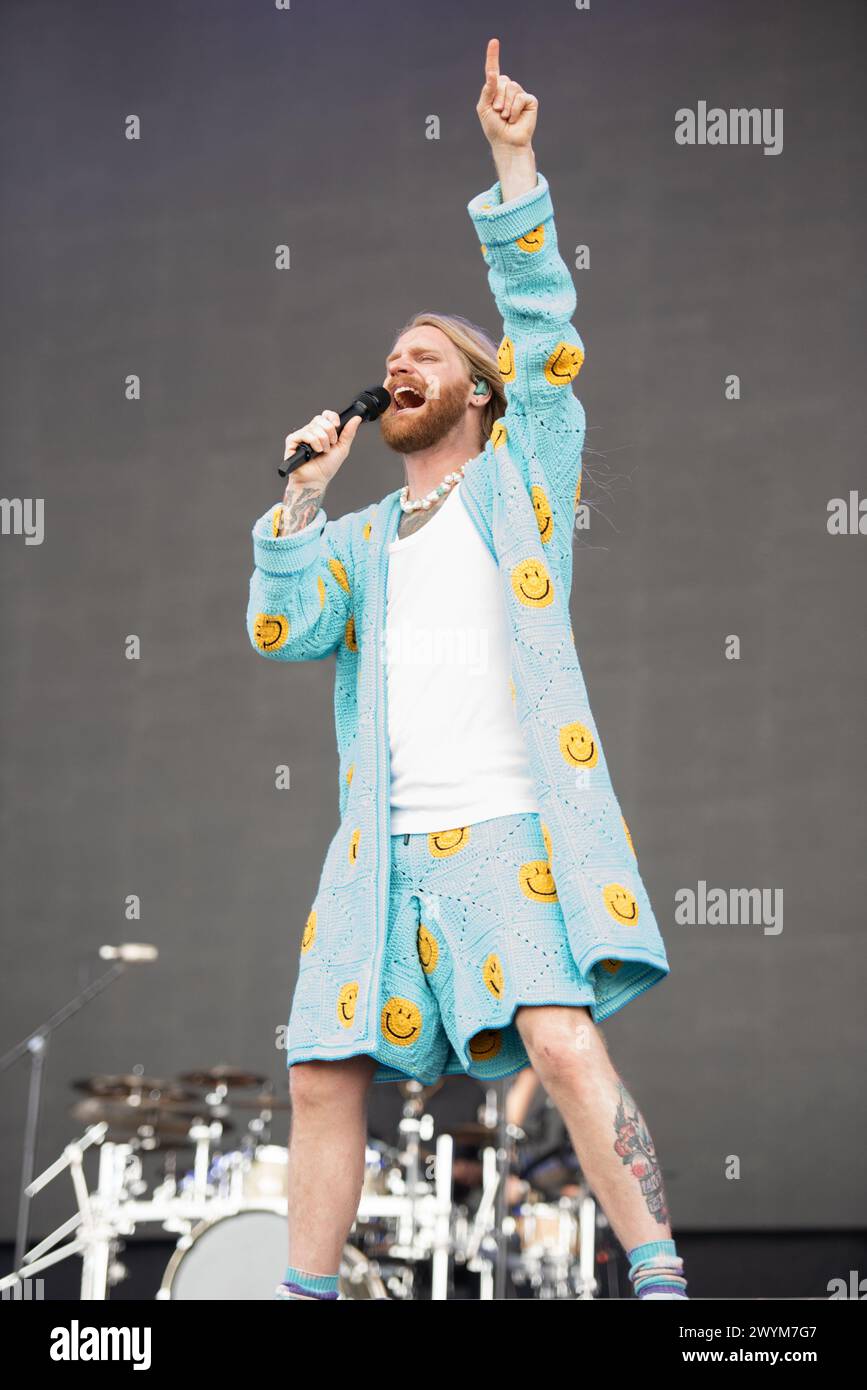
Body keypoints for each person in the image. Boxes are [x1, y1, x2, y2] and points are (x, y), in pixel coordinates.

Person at [248, 38, 687, 1302]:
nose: (403, 367)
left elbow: (547, 336)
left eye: (428, 354)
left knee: (558, 1034)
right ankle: (302, 1296)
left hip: (509, 832)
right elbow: (280, 629)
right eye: (391, 359)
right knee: (321, 1069)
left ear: (482, 394)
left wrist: (512, 160)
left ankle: (658, 1274)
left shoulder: (520, 489)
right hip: (380, 849)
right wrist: (296, 505)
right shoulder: (360, 541)